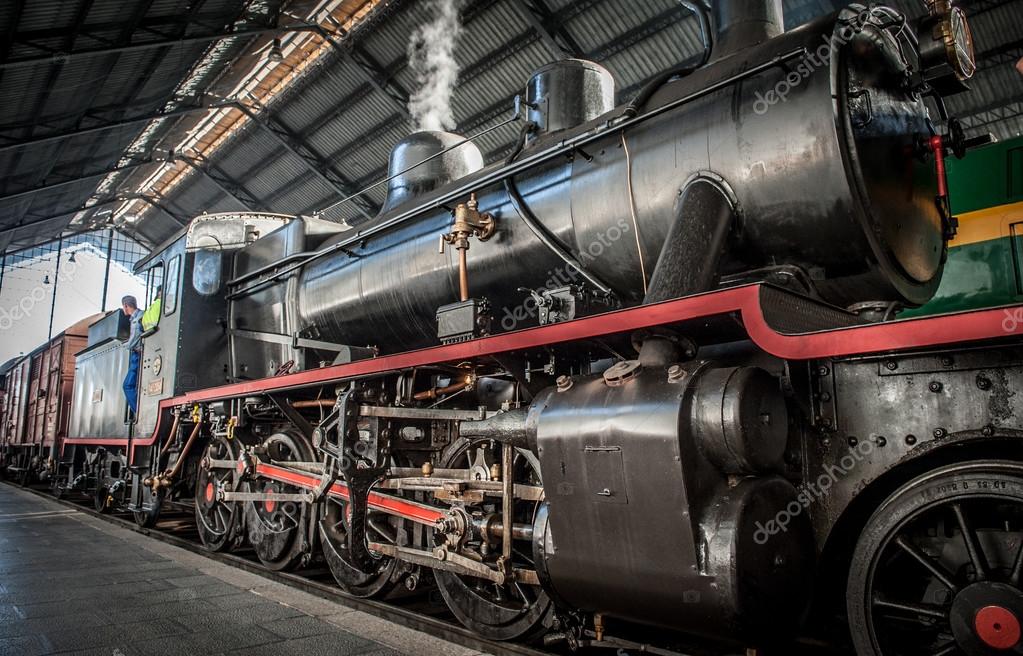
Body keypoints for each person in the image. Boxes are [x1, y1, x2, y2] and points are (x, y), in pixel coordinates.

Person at [121, 295, 144, 416]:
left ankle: (139, 412)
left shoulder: (137, 318)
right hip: (137, 354)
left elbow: (134, 340)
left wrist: (121, 346)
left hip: (138, 354)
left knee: (128, 385)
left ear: (126, 306)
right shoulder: (136, 317)